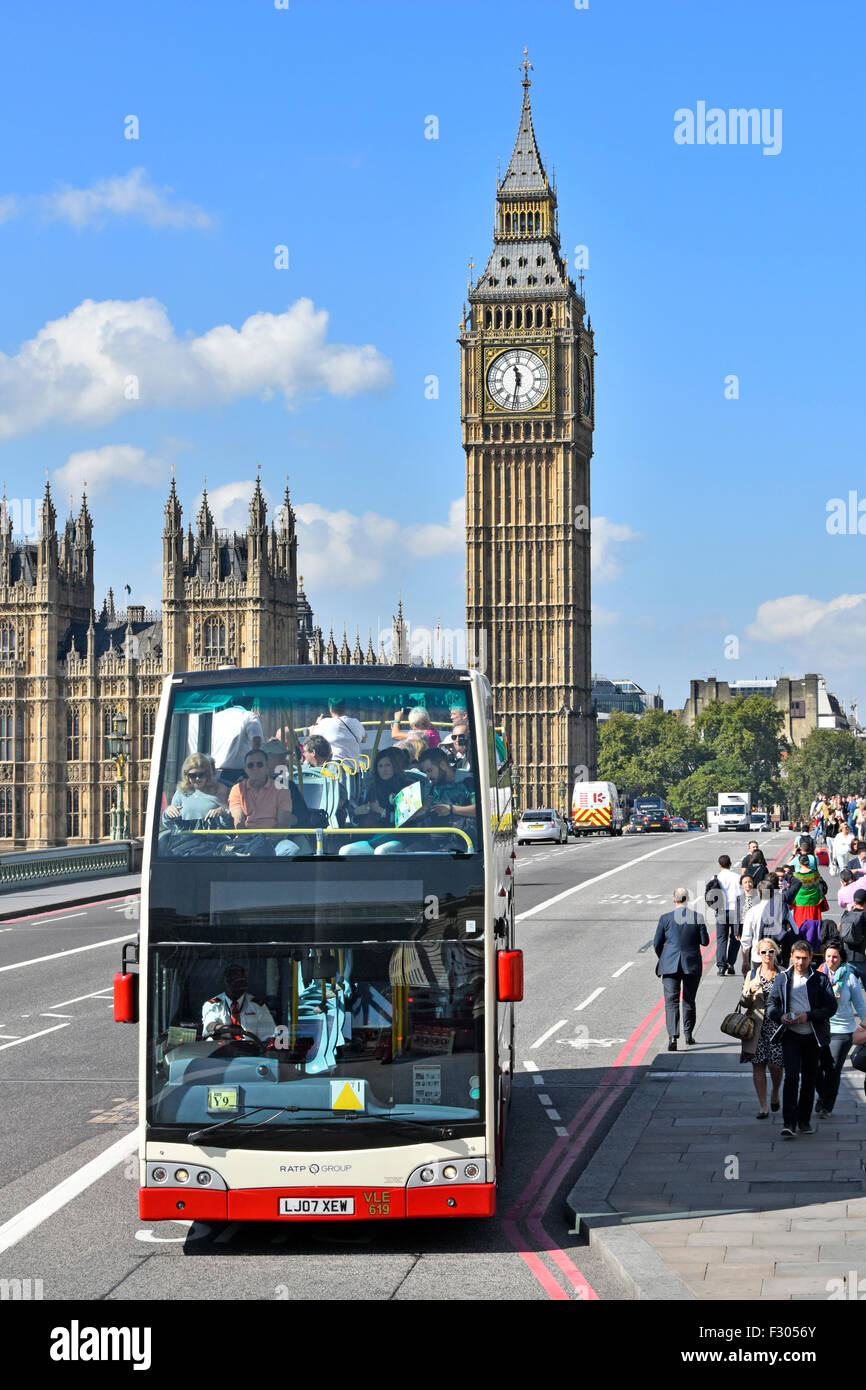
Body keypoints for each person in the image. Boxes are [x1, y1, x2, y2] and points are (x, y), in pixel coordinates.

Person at [767, 940, 837, 1138]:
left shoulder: (820, 980)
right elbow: (772, 1003)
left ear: (810, 958)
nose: (800, 962)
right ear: (791, 957)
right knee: (791, 1077)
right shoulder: (782, 979)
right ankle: (789, 1122)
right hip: (791, 1035)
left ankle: (804, 1121)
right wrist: (780, 1016)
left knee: (809, 1079)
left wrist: (808, 1015)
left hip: (812, 1036)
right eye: (797, 958)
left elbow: (831, 1007)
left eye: (804, 958)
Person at [653, 888, 709, 1050]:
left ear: (674, 900)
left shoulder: (665, 918)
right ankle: (688, 1034)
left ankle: (672, 1037)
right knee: (689, 1001)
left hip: (670, 964)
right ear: (688, 899)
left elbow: (656, 943)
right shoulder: (697, 917)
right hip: (691, 964)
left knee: (671, 1002)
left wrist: (664, 957)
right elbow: (705, 942)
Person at [815, 940, 866, 1119]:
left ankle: (827, 1106)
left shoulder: (849, 977)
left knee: (833, 1067)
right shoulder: (817, 974)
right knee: (816, 1067)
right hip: (820, 1028)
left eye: (835, 956)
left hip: (843, 1030)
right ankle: (822, 1094)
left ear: (841, 958)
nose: (831, 960)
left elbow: (861, 1006)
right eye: (828, 956)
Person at [739, 937, 784, 1118]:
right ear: (758, 954)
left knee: (776, 1065)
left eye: (770, 951)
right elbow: (743, 1003)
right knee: (758, 1066)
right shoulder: (751, 975)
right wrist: (749, 990)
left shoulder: (783, 974)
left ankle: (774, 1092)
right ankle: (763, 1106)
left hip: (776, 1027)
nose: (767, 955)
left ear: (775, 953)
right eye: (763, 952)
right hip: (756, 1027)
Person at [228, 749, 298, 833]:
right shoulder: (237, 789)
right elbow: (238, 822)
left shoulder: (282, 789)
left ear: (267, 767)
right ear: (245, 769)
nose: (255, 768)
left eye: (259, 764)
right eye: (250, 765)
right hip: (246, 840)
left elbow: (283, 825)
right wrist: (251, 842)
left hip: (274, 840)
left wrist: (267, 842)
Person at [202, 964, 276, 1042]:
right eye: (230, 980)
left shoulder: (257, 1006)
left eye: (238, 981)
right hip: (220, 1051)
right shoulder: (213, 1005)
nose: (234, 984)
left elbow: (270, 1036)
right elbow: (209, 1026)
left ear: (245, 984)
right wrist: (227, 1029)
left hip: (250, 1051)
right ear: (223, 983)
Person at [162, 754, 228, 827]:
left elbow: (230, 823)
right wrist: (167, 813)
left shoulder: (218, 791)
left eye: (201, 775)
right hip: (185, 837)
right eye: (193, 775)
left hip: (211, 837)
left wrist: (222, 812)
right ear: (186, 775)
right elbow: (169, 824)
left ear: (207, 774)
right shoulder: (181, 793)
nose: (197, 779)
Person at [353, 748, 411, 828]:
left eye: (387, 765)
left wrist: (382, 811)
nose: (384, 769)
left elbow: (407, 817)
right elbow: (362, 815)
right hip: (374, 832)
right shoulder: (374, 788)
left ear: (394, 766)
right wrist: (358, 812)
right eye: (380, 766)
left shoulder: (405, 786)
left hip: (398, 833)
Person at [211, 700, 263, 787]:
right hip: (238, 774)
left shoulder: (216, 716)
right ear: (251, 703)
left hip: (214, 772)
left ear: (231, 701)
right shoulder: (249, 716)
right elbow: (257, 741)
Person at [712, 854, 743, 976]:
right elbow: (741, 894)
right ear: (730, 863)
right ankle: (730, 962)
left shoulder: (716, 878)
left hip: (721, 910)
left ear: (719, 865)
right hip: (735, 910)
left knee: (721, 939)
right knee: (735, 938)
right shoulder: (737, 877)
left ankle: (720, 966)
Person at [311, 697, 367, 763]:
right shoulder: (355, 722)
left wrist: (317, 723)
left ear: (330, 708)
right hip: (353, 769)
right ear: (345, 708)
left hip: (334, 769)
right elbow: (364, 739)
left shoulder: (324, 723)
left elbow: (311, 739)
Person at [836, 889, 866, 987]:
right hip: (862, 958)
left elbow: (840, 929)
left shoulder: (846, 915)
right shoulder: (864, 915)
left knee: (849, 988)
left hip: (848, 957)